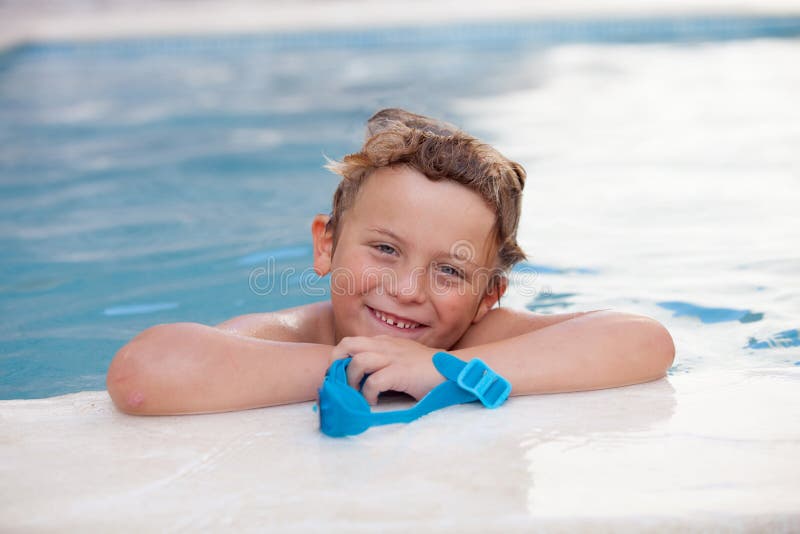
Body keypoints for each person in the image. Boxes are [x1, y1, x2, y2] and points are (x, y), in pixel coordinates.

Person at [106, 108, 675, 416]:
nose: (407, 290)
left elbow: (645, 341)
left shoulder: (475, 341)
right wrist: (361, 366)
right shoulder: (286, 338)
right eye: (385, 249)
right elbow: (140, 376)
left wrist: (439, 370)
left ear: (488, 297)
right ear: (326, 246)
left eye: (450, 270)